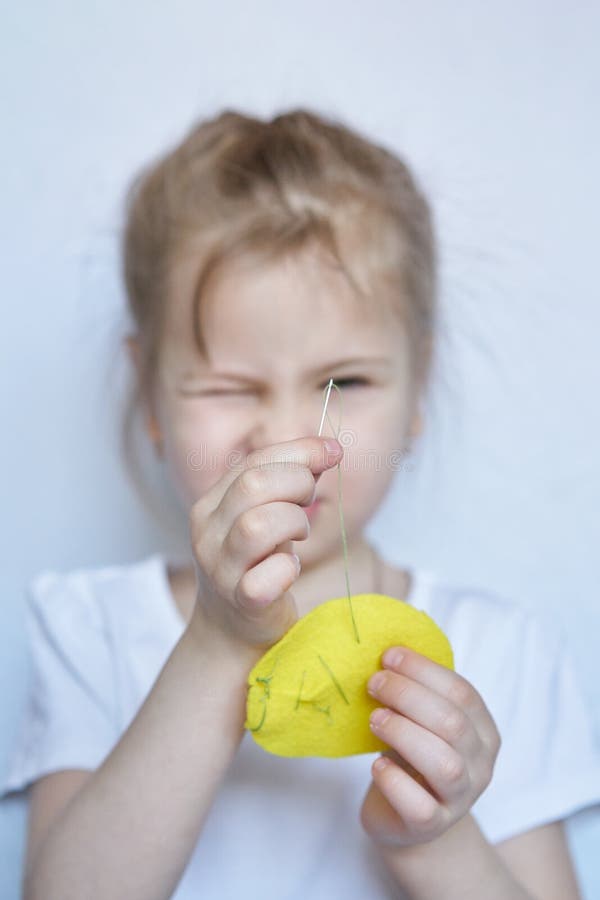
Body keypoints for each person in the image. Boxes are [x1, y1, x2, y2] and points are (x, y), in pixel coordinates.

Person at [2, 108, 599, 900]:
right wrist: (218, 641)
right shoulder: (92, 629)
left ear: (417, 387)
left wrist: (436, 839)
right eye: (227, 388)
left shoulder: (504, 651)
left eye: (341, 384)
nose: (286, 437)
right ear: (149, 393)